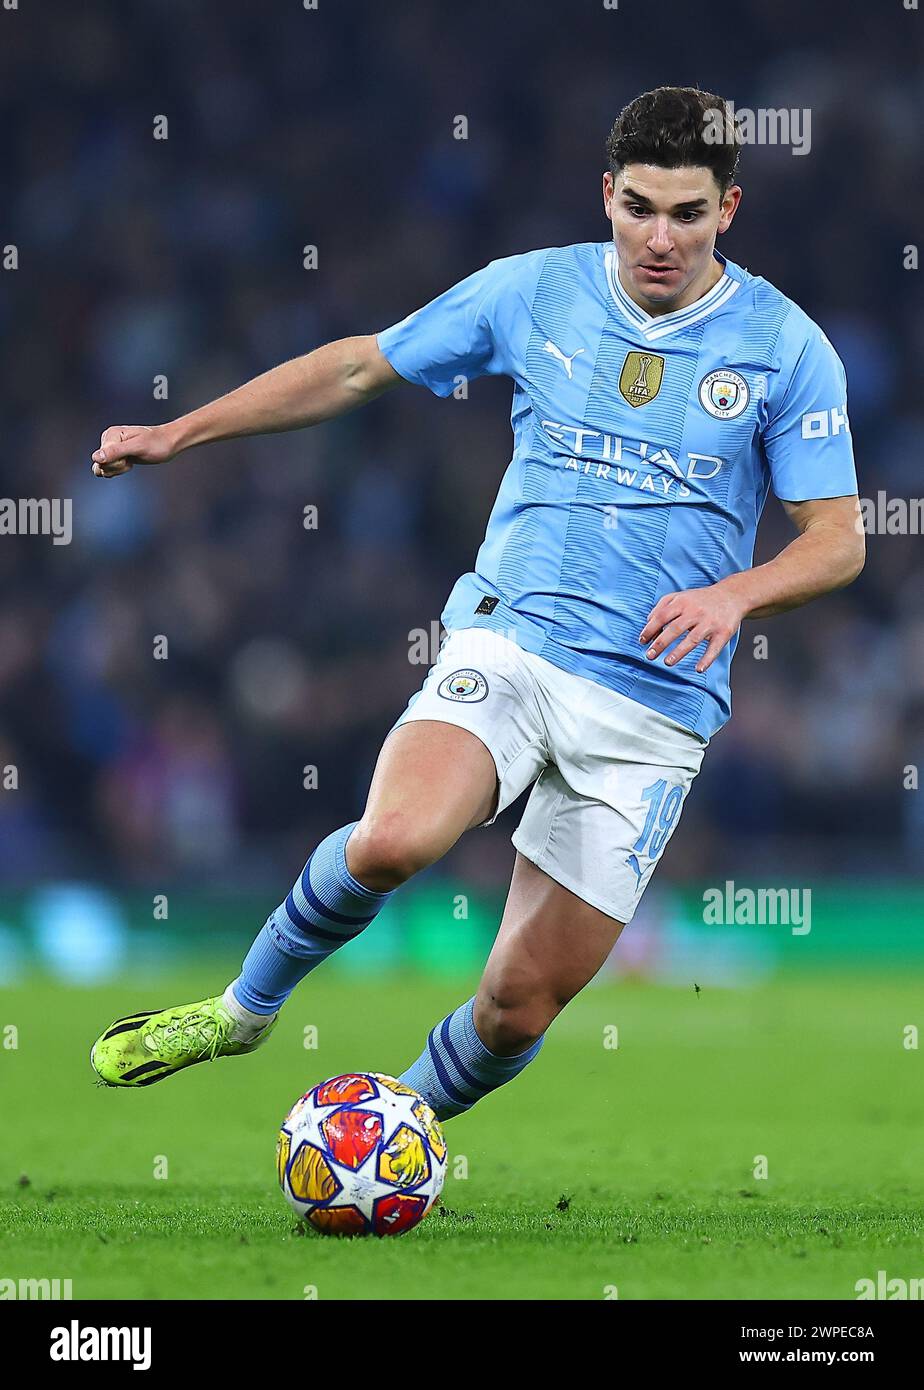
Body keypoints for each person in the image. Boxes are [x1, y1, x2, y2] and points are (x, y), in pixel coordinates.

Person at [89, 86, 863, 1119]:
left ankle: (382, 1126)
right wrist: (177, 433)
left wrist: (736, 595)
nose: (659, 236)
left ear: (730, 209)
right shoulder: (531, 292)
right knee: (395, 839)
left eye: (687, 213)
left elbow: (839, 540)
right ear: (607, 194)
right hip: (512, 641)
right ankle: (244, 1008)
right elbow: (362, 366)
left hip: (653, 707)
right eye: (638, 206)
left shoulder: (786, 347)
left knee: (516, 1007)